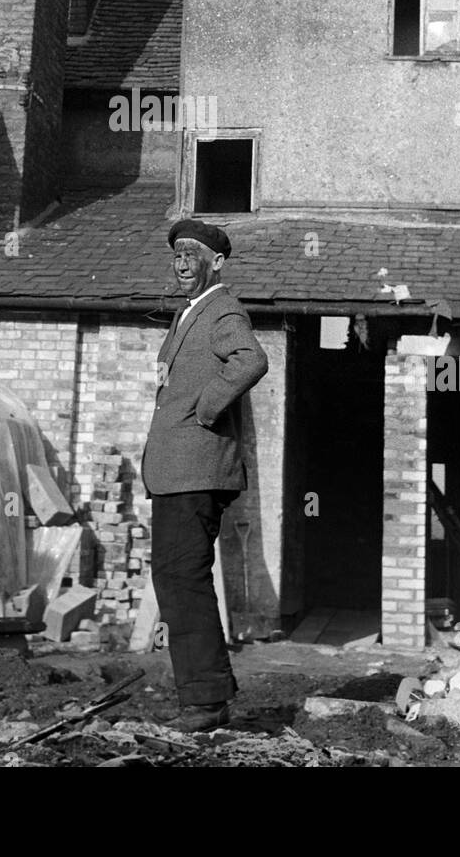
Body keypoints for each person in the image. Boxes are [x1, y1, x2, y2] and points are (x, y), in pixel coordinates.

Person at [141, 218, 269, 732]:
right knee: (179, 577)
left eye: (193, 252)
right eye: (176, 252)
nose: (182, 260)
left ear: (217, 263)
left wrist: (204, 411)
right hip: (178, 473)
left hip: (194, 470)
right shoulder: (189, 313)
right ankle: (206, 694)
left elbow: (250, 360)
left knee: (181, 578)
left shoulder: (221, 309)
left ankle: (204, 702)